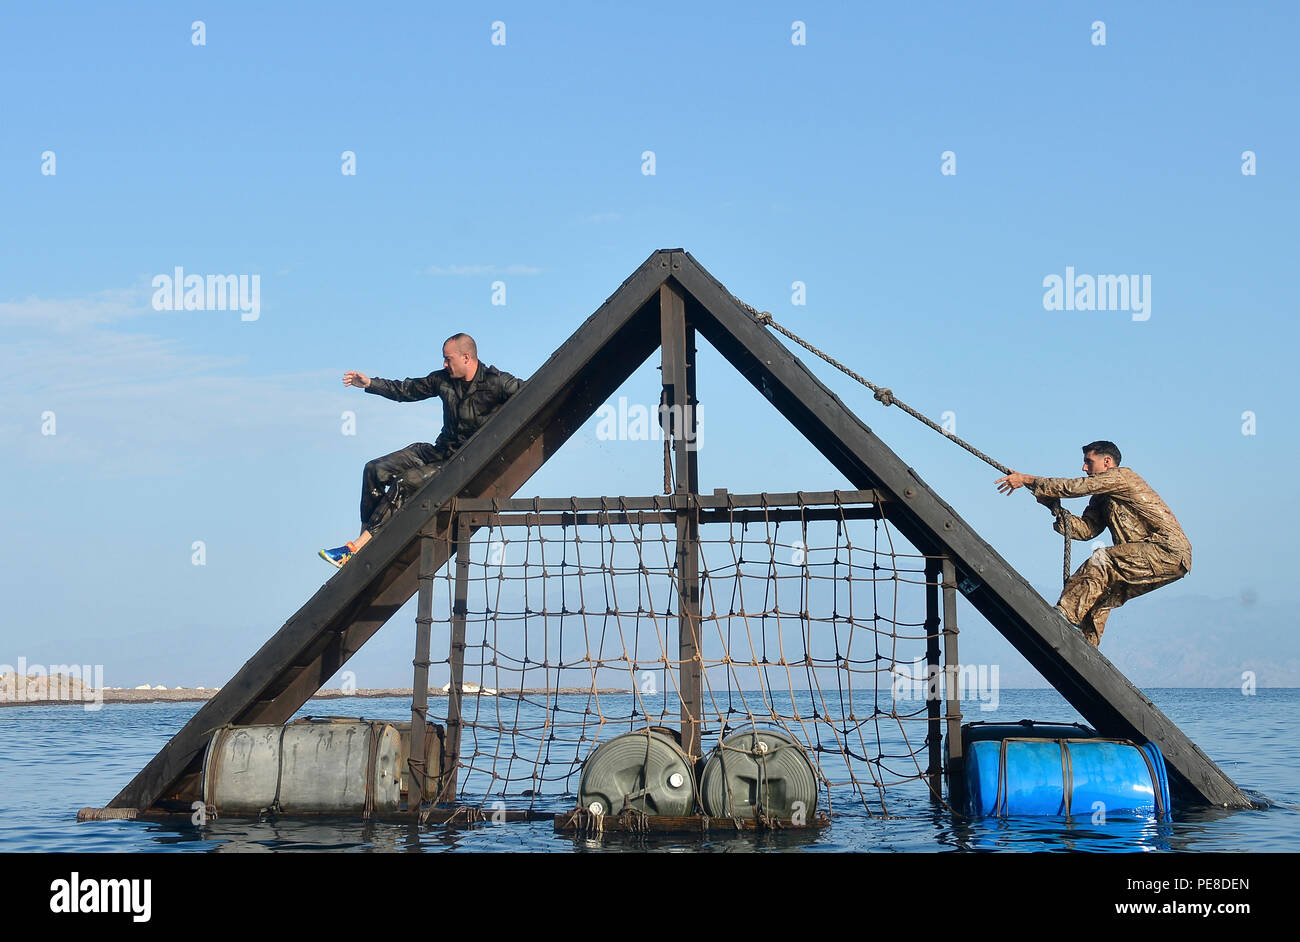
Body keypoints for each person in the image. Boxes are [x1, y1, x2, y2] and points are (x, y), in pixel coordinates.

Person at [319, 333, 524, 567]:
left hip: (459, 464)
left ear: (466, 357)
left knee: (405, 482)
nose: (444, 364)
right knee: (374, 469)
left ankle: (354, 548)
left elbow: (534, 394)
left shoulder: (497, 382)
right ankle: (360, 543)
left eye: (448, 359)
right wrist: (370, 384)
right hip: (438, 451)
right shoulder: (443, 379)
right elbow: (407, 390)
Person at [993, 441, 1191, 648]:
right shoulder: (1101, 498)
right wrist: (1054, 507)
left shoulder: (1122, 476)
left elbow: (1074, 487)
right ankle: (1085, 651)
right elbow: (1086, 530)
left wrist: (1026, 480)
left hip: (1166, 550)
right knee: (1099, 601)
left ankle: (1061, 617)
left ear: (1107, 462)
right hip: (1155, 560)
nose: (1084, 468)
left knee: (1102, 561)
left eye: (1089, 462)